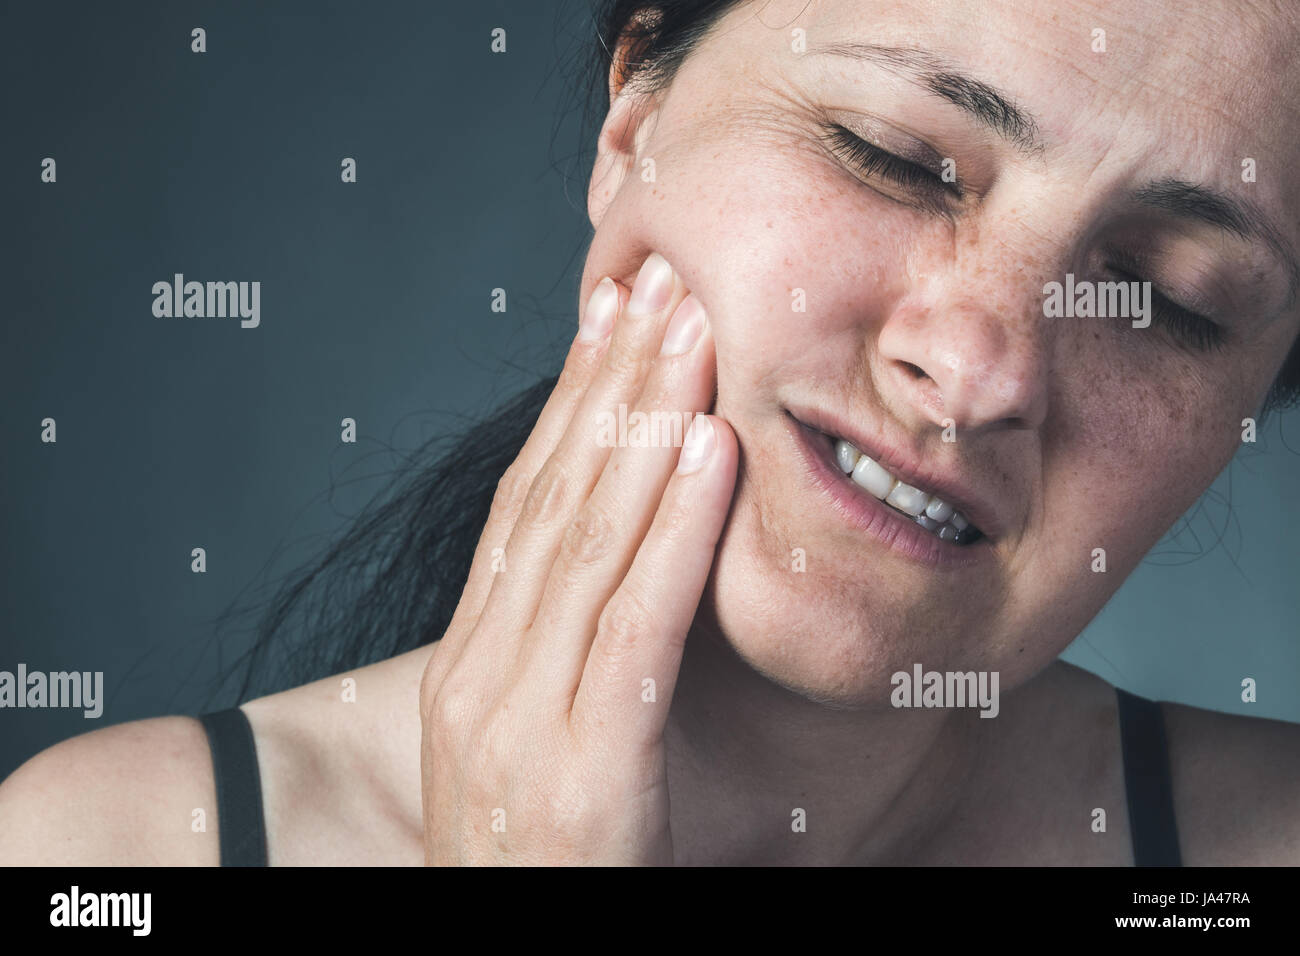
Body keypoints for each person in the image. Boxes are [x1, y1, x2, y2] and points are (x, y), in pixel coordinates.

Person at [3, 0, 1300, 866]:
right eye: (894, 156)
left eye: (1165, 298)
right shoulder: (104, 854)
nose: (975, 372)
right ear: (634, 131)